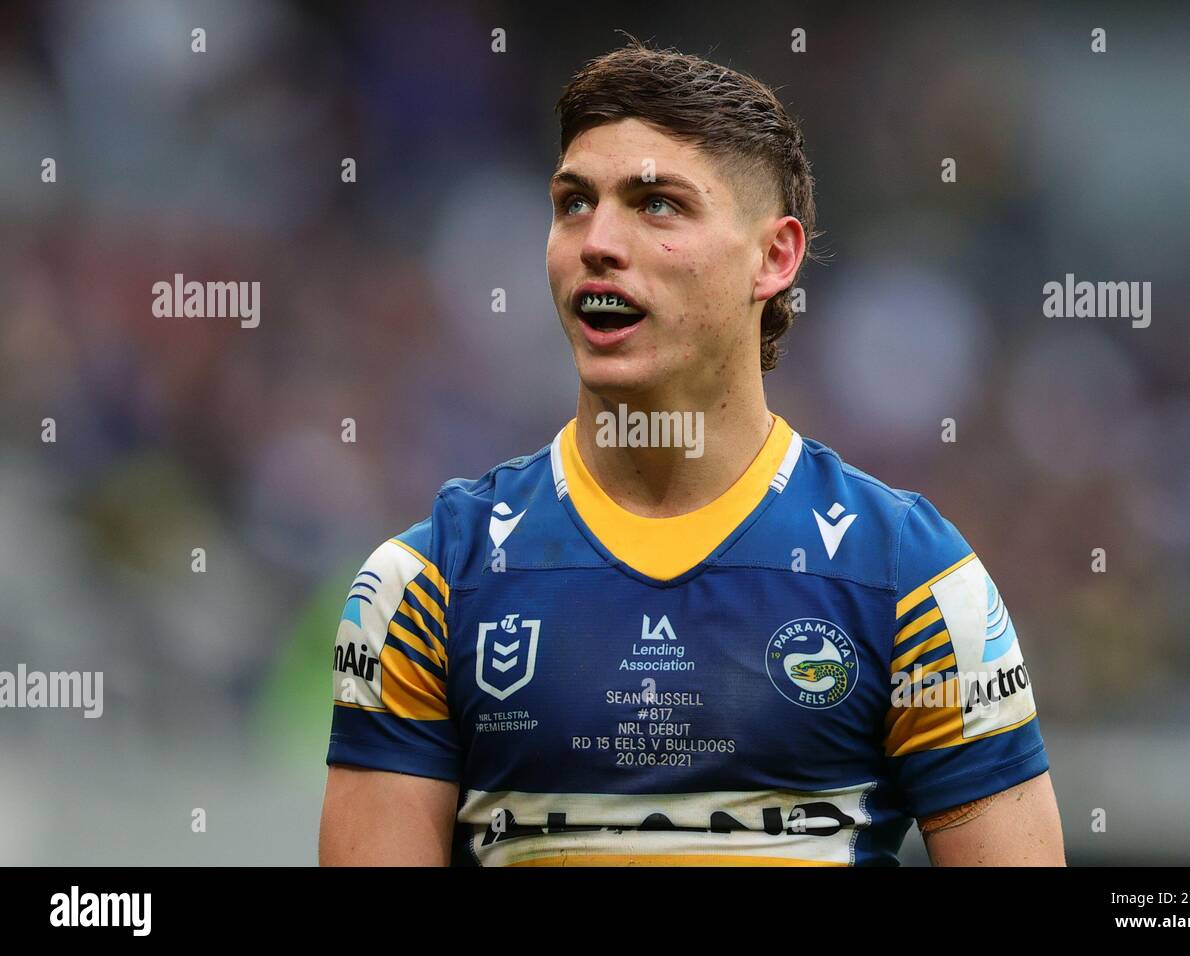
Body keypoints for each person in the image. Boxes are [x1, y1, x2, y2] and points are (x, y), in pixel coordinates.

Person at [319, 39, 1064, 866]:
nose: (598, 241)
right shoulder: (426, 585)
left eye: (657, 205)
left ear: (774, 257)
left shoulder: (911, 580)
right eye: (574, 203)